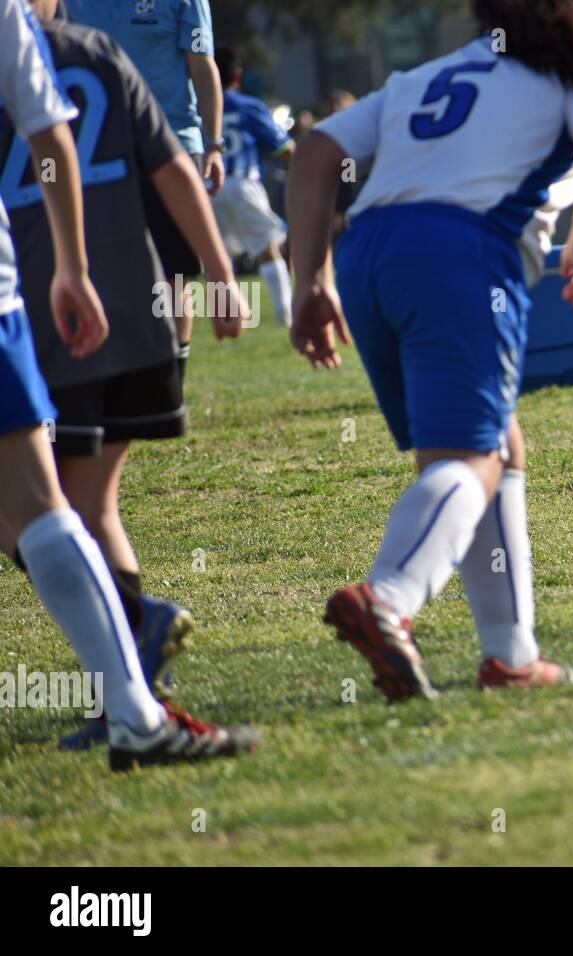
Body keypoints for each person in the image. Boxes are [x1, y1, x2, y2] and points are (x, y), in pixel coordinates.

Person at [288, 0, 573, 698]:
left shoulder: (427, 72)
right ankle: (388, 598)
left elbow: (317, 150)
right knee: (473, 460)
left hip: (367, 255)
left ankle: (511, 657)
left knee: (493, 446)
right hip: (461, 256)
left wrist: (308, 279)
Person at [0, 0, 255, 770]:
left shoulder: (27, 48)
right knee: (83, 506)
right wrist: (218, 273)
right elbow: (172, 165)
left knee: (52, 510)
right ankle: (130, 669)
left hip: (53, 314)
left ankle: (131, 657)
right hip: (129, 303)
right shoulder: (99, 51)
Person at [64, 0, 223, 382]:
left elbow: (203, 68)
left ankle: (172, 373)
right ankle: (110, 371)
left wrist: (214, 145)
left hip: (171, 147)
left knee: (175, 270)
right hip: (94, 151)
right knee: (100, 265)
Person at [212, 47, 294, 328]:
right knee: (267, 248)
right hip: (241, 181)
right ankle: (285, 315)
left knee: (216, 255)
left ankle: (229, 318)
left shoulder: (193, 104)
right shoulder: (247, 105)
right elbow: (282, 147)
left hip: (205, 187)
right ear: (237, 75)